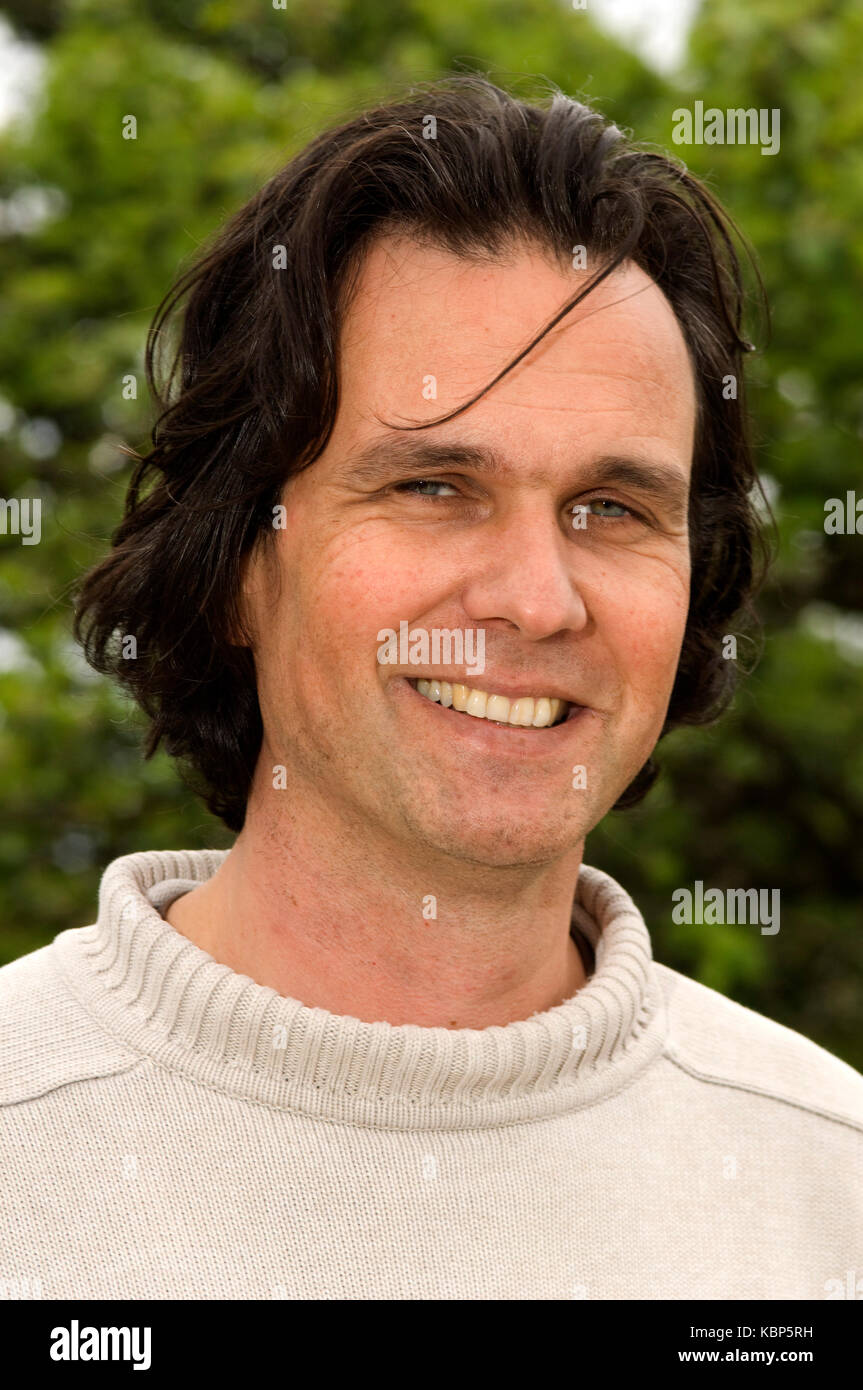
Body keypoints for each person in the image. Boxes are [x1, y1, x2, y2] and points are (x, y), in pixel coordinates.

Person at [2, 75, 861, 1301]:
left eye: (610, 509)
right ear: (237, 562)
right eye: (432, 487)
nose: (535, 599)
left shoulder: (831, 1191)